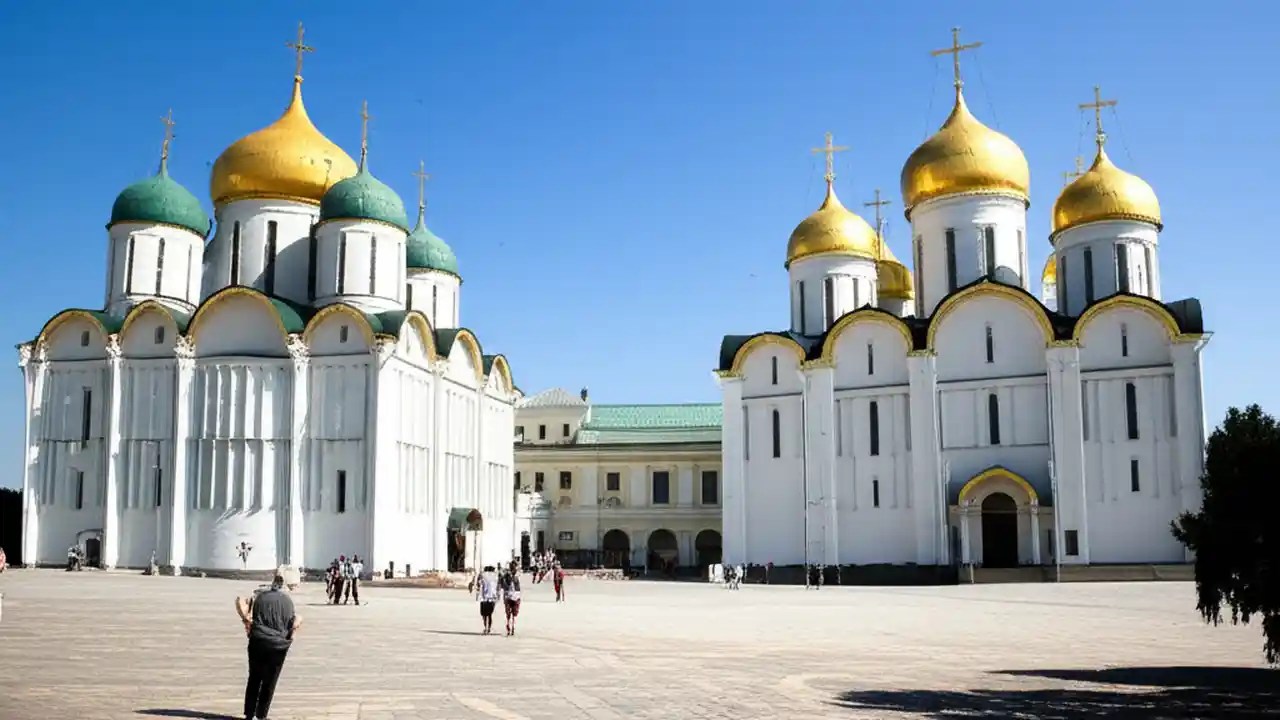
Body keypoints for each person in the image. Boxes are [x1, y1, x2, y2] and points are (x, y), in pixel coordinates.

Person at [235, 573, 301, 720]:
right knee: (270, 680)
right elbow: (292, 623)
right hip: (279, 645)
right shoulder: (288, 602)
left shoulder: (260, 598)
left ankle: (249, 713)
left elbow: (250, 615)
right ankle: (261, 715)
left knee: (254, 677)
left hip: (258, 640)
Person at [499, 561, 522, 636]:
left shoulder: (506, 575)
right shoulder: (518, 574)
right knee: (514, 614)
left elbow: (502, 585)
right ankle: (513, 626)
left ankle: (509, 624)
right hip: (516, 596)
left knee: (508, 613)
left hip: (507, 595)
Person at [476, 565, 499, 635]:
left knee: (484, 615)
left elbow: (478, 584)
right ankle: (488, 628)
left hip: (484, 597)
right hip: (492, 597)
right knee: (489, 615)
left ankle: (486, 627)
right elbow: (498, 586)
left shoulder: (482, 575)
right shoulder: (495, 576)